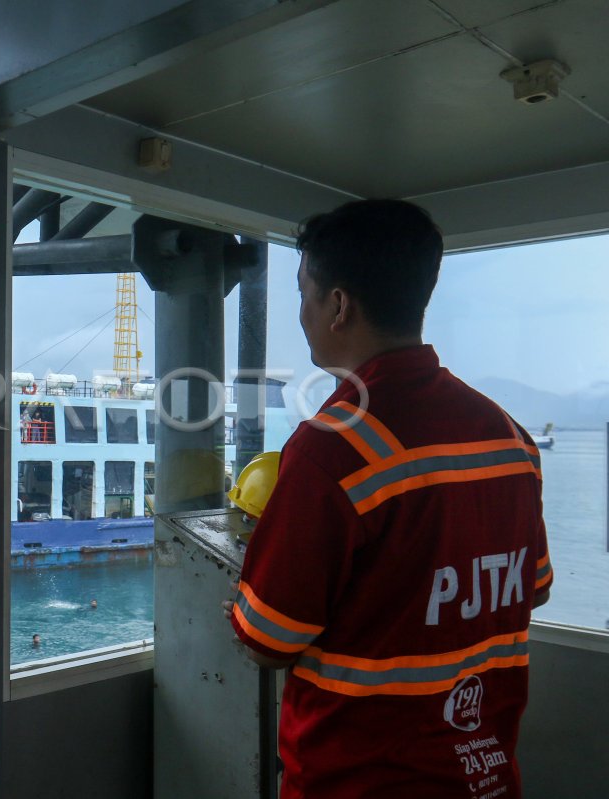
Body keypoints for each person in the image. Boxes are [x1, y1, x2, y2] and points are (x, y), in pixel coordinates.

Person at [225, 199, 551, 799]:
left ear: (338, 305)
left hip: (359, 782)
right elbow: (532, 588)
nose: (302, 314)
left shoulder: (334, 448)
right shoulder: (510, 438)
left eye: (305, 294)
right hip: (485, 778)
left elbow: (268, 639)